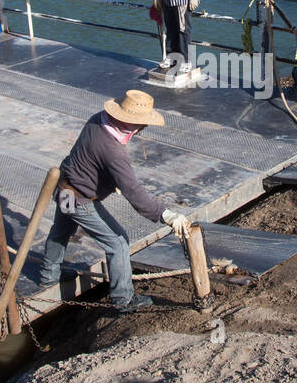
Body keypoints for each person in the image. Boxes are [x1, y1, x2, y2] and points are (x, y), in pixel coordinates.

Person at [36, 90, 192, 313]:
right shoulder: (113, 150)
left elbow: (89, 158)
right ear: (132, 123)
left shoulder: (98, 119)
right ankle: (123, 300)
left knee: (61, 230)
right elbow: (133, 191)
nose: (142, 129)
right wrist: (165, 214)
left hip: (64, 188)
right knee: (118, 242)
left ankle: (48, 276)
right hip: (80, 199)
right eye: (141, 125)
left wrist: (108, 181)